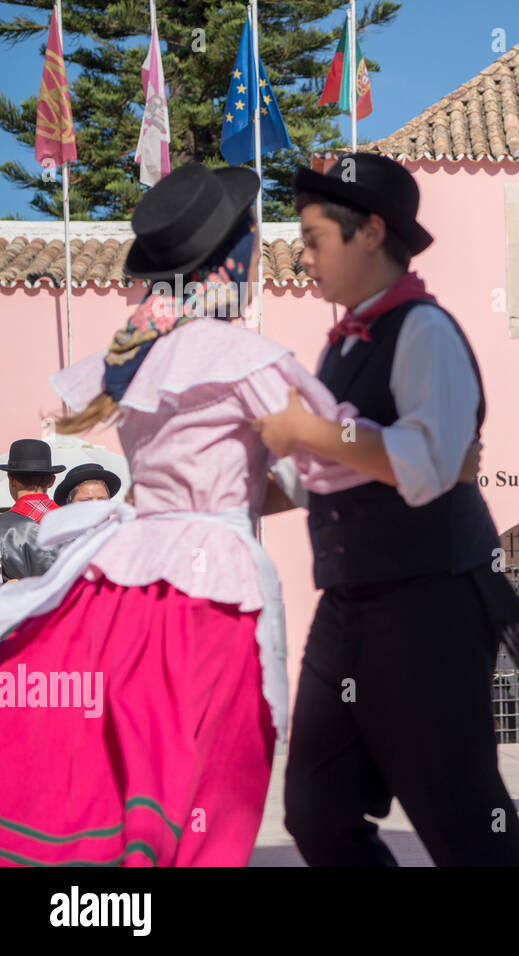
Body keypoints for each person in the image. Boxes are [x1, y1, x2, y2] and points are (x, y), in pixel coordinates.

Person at [0, 163, 367, 866]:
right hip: (208, 592)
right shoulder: (246, 359)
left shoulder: (139, 357)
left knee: (136, 780)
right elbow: (328, 468)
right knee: (210, 784)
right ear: (234, 257)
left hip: (121, 584)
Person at [254, 152, 519, 867]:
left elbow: (427, 465)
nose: (304, 255)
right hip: (347, 606)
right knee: (316, 812)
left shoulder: (424, 331)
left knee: (465, 823)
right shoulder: (342, 345)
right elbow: (319, 473)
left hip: (429, 605)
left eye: (315, 236)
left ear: (371, 232)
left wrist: (308, 431)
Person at [0, 440, 64, 582]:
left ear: (11, 480)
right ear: (52, 480)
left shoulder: (2, 527)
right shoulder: (76, 523)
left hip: (17, 603)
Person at [53, 463, 123, 507]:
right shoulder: (58, 530)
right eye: (86, 501)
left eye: (102, 500)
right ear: (70, 502)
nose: (95, 506)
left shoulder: (122, 529)